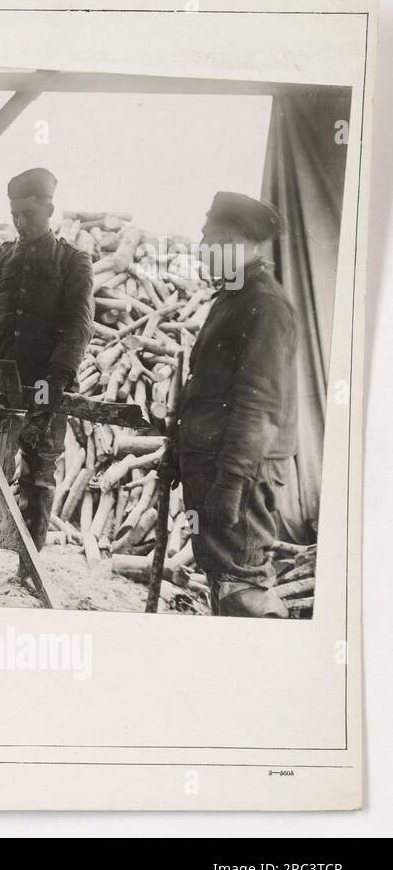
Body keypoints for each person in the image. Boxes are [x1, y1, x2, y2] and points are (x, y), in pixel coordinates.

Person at [165, 192, 297, 617]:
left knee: (243, 585)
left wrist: (231, 484)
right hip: (214, 467)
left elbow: (258, 407)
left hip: (238, 475)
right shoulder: (233, 297)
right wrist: (179, 451)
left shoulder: (264, 304)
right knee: (221, 576)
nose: (201, 250)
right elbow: (206, 388)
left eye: (210, 240)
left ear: (238, 244)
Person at [0, 168, 94, 580]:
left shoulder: (73, 261)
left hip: (44, 387)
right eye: (15, 214)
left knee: (38, 477)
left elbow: (78, 326)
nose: (20, 222)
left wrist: (54, 383)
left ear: (50, 209)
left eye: (29, 214)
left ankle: (28, 570)